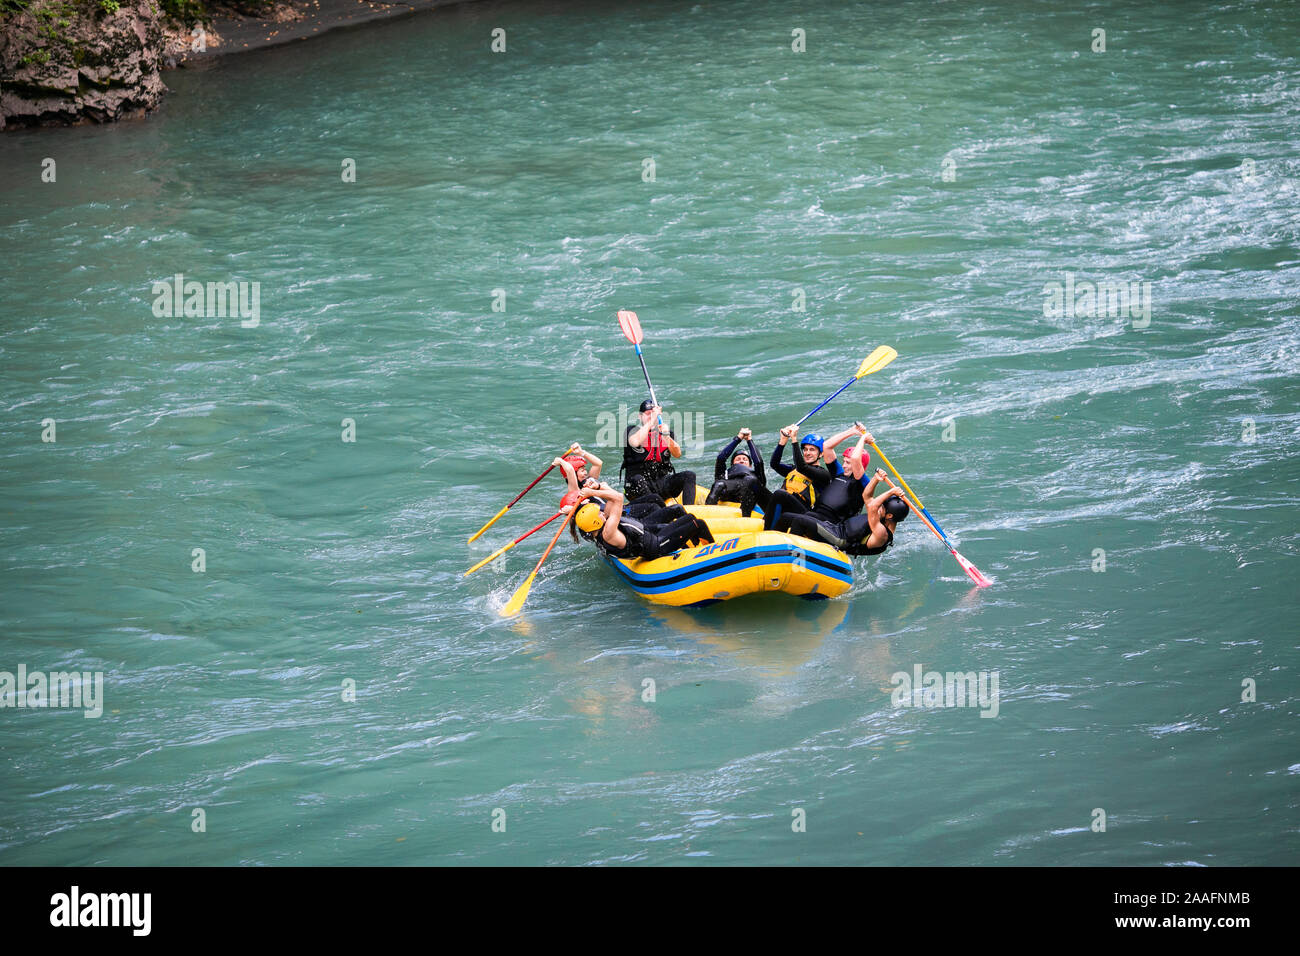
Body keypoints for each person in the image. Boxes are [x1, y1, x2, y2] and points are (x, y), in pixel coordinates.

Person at [569, 485, 713, 561]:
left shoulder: (601, 529)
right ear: (595, 521)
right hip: (656, 547)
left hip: (651, 538)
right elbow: (618, 498)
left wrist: (598, 488)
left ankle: (694, 549)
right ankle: (712, 552)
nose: (602, 513)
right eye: (599, 514)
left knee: (689, 518)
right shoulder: (608, 532)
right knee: (697, 523)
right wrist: (593, 492)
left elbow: (611, 503)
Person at [813, 469, 910, 556]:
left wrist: (891, 492)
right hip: (838, 530)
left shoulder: (882, 534)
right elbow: (866, 496)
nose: (879, 507)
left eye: (882, 507)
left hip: (840, 541)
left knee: (800, 520)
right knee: (808, 516)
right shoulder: (881, 519)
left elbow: (872, 506)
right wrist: (876, 479)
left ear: (889, 515)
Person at [621, 399, 697, 505]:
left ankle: (689, 513)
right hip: (636, 486)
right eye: (648, 414)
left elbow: (677, 454)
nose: (651, 416)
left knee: (689, 475)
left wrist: (665, 435)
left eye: (654, 414)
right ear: (640, 416)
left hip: (660, 483)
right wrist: (651, 420)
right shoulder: (631, 430)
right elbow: (635, 442)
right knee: (638, 480)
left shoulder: (667, 433)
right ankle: (658, 509)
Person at [705, 427, 770, 517]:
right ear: (732, 465)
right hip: (728, 493)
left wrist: (749, 440)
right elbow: (721, 458)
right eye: (738, 459)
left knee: (750, 480)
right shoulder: (725, 475)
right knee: (719, 484)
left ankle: (744, 518)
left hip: (747, 497)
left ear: (750, 466)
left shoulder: (756, 476)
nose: (741, 461)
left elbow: (759, 462)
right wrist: (738, 438)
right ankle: (707, 514)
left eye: (745, 459)